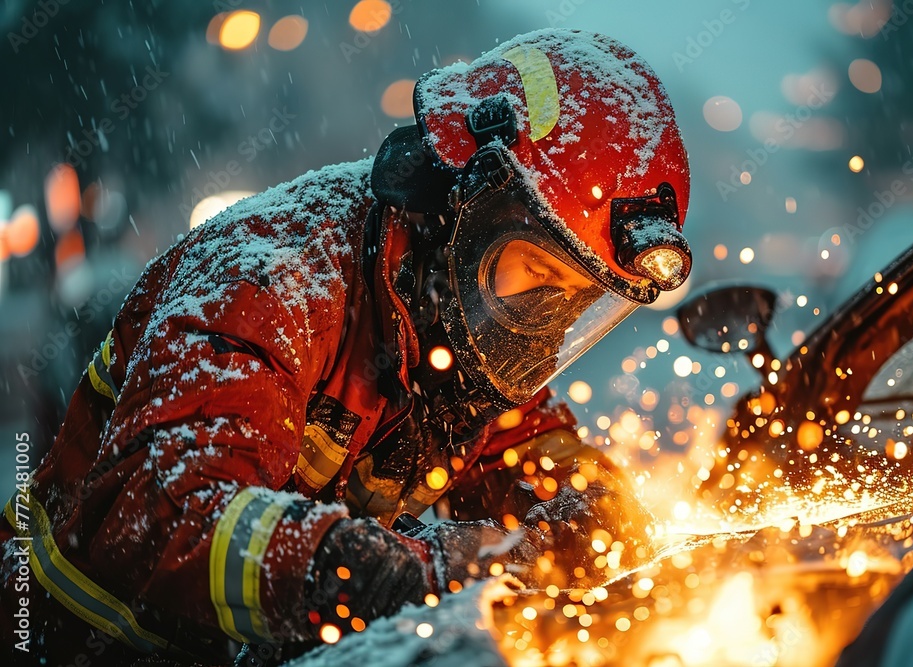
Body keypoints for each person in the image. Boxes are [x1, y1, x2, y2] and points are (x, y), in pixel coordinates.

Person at [0, 28, 692, 665]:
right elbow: (162, 509)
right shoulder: (276, 275)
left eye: (572, 298)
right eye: (537, 273)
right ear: (463, 208)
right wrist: (379, 567)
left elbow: (525, 439)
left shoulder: (461, 312)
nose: (542, 319)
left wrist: (595, 509)